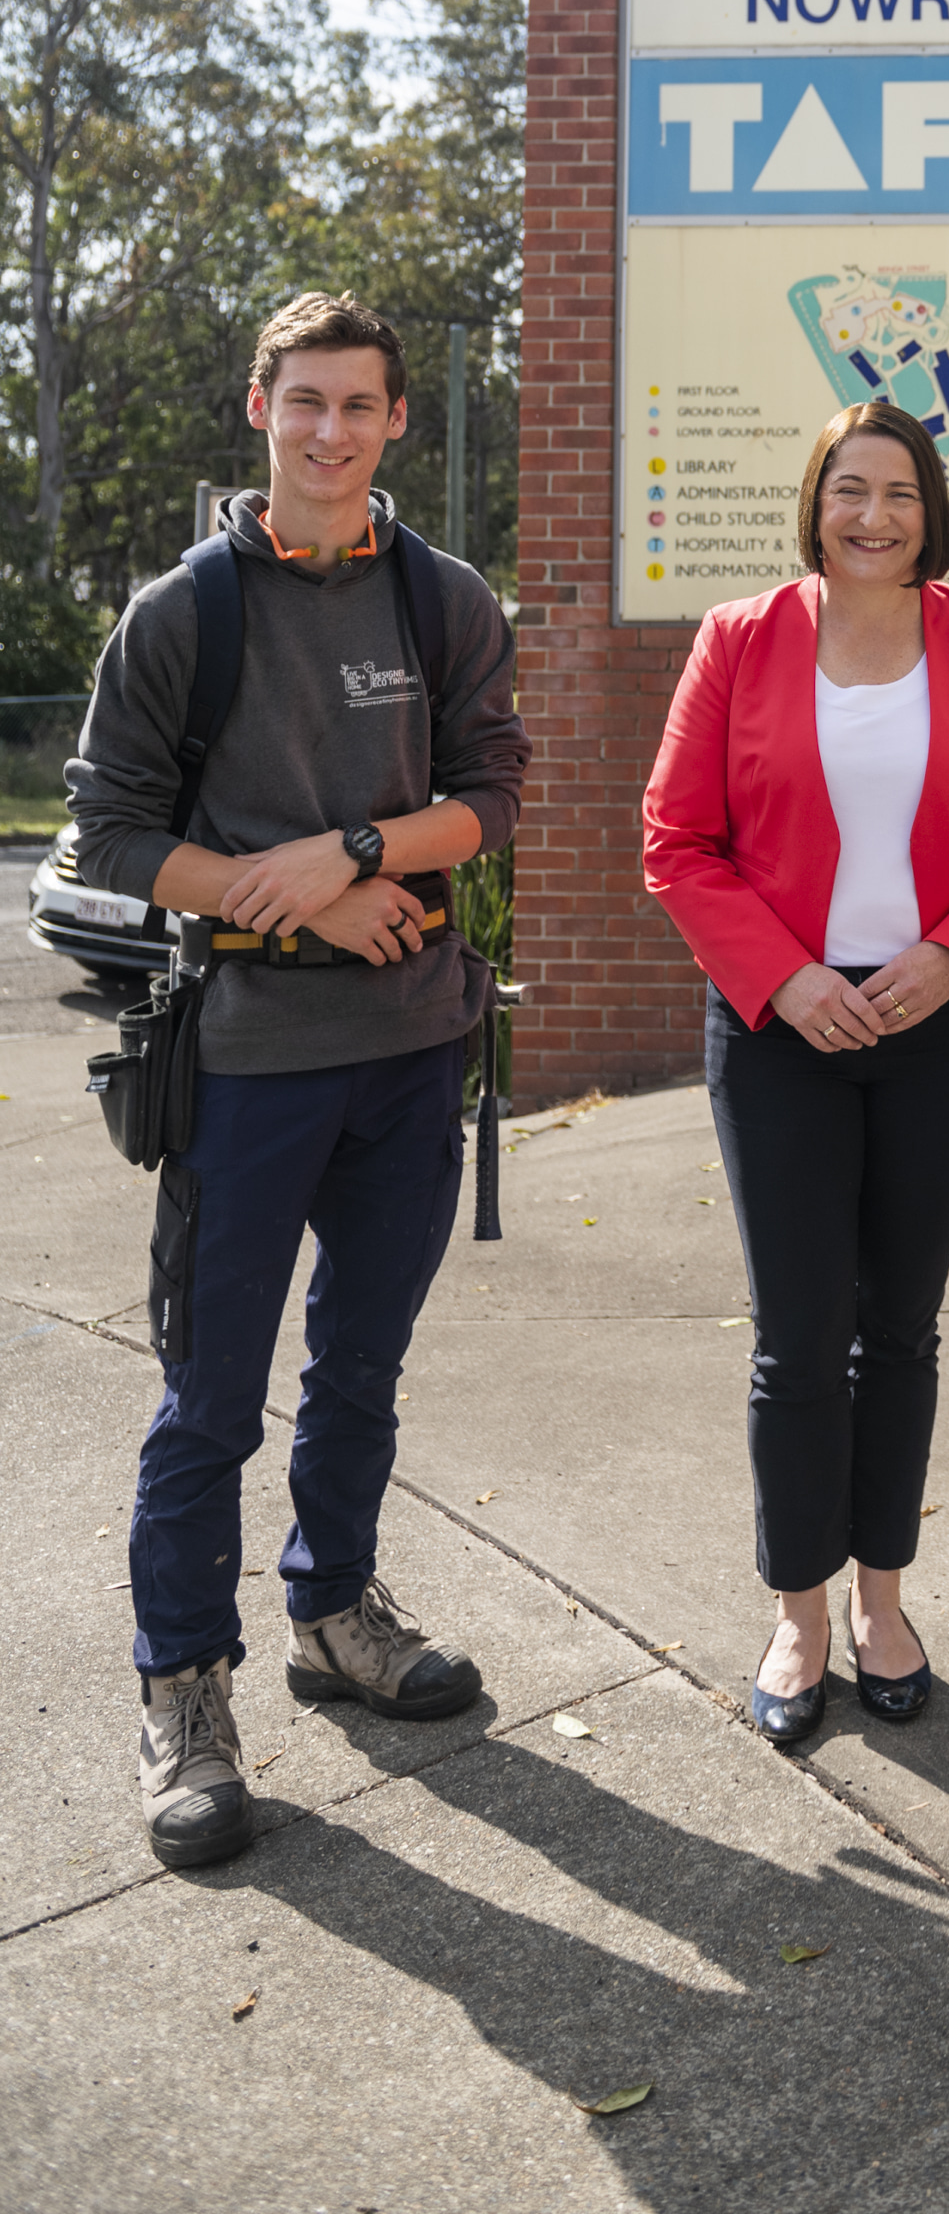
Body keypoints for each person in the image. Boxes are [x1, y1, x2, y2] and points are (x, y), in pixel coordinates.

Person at [70, 293, 529, 1872]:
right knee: (211, 1398)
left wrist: (350, 860)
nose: (331, 431)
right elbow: (112, 835)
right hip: (250, 1062)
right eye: (305, 401)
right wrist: (300, 901)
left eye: (360, 406)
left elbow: (489, 794)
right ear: (260, 406)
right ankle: (183, 1688)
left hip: (412, 1053)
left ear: (396, 422)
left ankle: (334, 1611)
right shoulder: (184, 613)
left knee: (362, 1367)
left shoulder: (444, 597)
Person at [643, 397, 949, 1746]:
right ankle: (800, 1616)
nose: (873, 516)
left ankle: (885, 1601)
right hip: (783, 1033)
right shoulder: (739, 640)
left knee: (898, 1329)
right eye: (848, 490)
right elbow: (678, 842)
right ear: (815, 503)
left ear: (929, 510)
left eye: (896, 492)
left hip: (941, 1035)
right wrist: (785, 977)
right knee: (796, 1340)